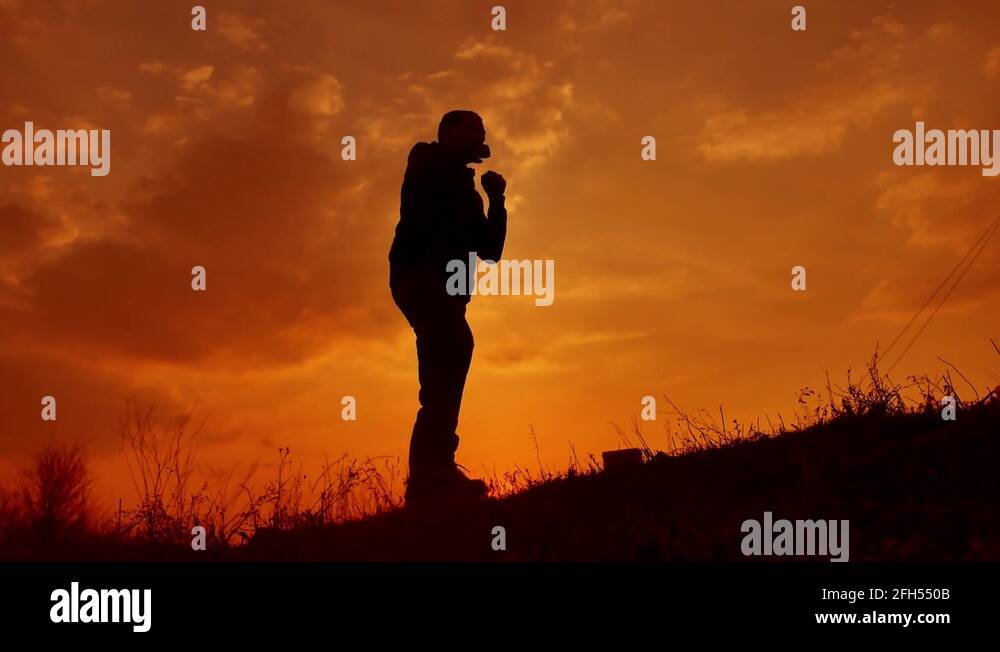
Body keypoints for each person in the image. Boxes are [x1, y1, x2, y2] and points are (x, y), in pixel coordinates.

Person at [388, 110, 508, 506]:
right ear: (448, 132)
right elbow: (434, 178)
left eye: (482, 130)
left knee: (449, 362)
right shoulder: (426, 161)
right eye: (471, 128)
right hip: (421, 278)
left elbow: (489, 252)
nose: (480, 135)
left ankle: (433, 475)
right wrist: (464, 162)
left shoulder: (468, 192)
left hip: (450, 289)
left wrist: (497, 201)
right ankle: (430, 477)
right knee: (449, 353)